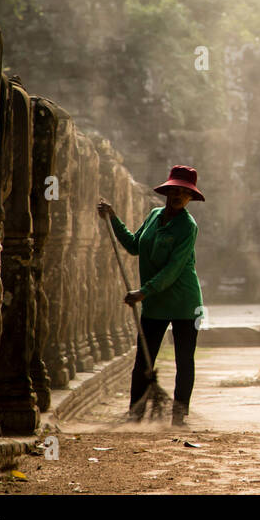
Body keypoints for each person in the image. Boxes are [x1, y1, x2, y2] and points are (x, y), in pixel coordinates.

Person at [97, 164, 204, 426]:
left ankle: (179, 413)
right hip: (155, 302)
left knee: (184, 360)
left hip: (183, 302)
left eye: (184, 192)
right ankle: (136, 411)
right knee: (144, 359)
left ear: (190, 197)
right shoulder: (155, 215)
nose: (178, 195)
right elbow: (135, 246)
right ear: (167, 192)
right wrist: (112, 219)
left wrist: (143, 292)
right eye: (175, 190)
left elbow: (174, 268)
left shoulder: (187, 227)